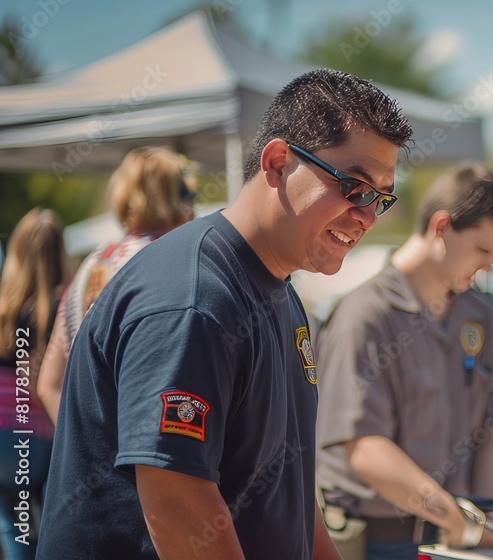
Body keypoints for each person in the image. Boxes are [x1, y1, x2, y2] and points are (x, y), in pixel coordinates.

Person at [36, 68, 413, 560]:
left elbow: (293, 499)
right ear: (278, 163)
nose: (367, 215)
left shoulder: (279, 290)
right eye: (355, 187)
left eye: (381, 200)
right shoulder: (193, 298)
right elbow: (178, 502)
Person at [315, 162, 493, 560]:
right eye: (482, 249)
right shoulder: (365, 317)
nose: (488, 267)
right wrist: (458, 519)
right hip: (376, 543)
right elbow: (363, 447)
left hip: (456, 540)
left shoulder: (482, 321)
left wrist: (485, 521)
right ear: (441, 227)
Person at [37, 146, 196, 425]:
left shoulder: (93, 263)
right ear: (178, 196)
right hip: (150, 446)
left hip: (91, 452)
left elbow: (49, 383)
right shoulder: (178, 259)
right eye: (189, 193)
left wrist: (83, 442)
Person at [0, 207, 66, 560]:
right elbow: (34, 378)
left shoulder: (5, 309)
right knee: (39, 527)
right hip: (33, 433)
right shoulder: (59, 307)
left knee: (12, 529)